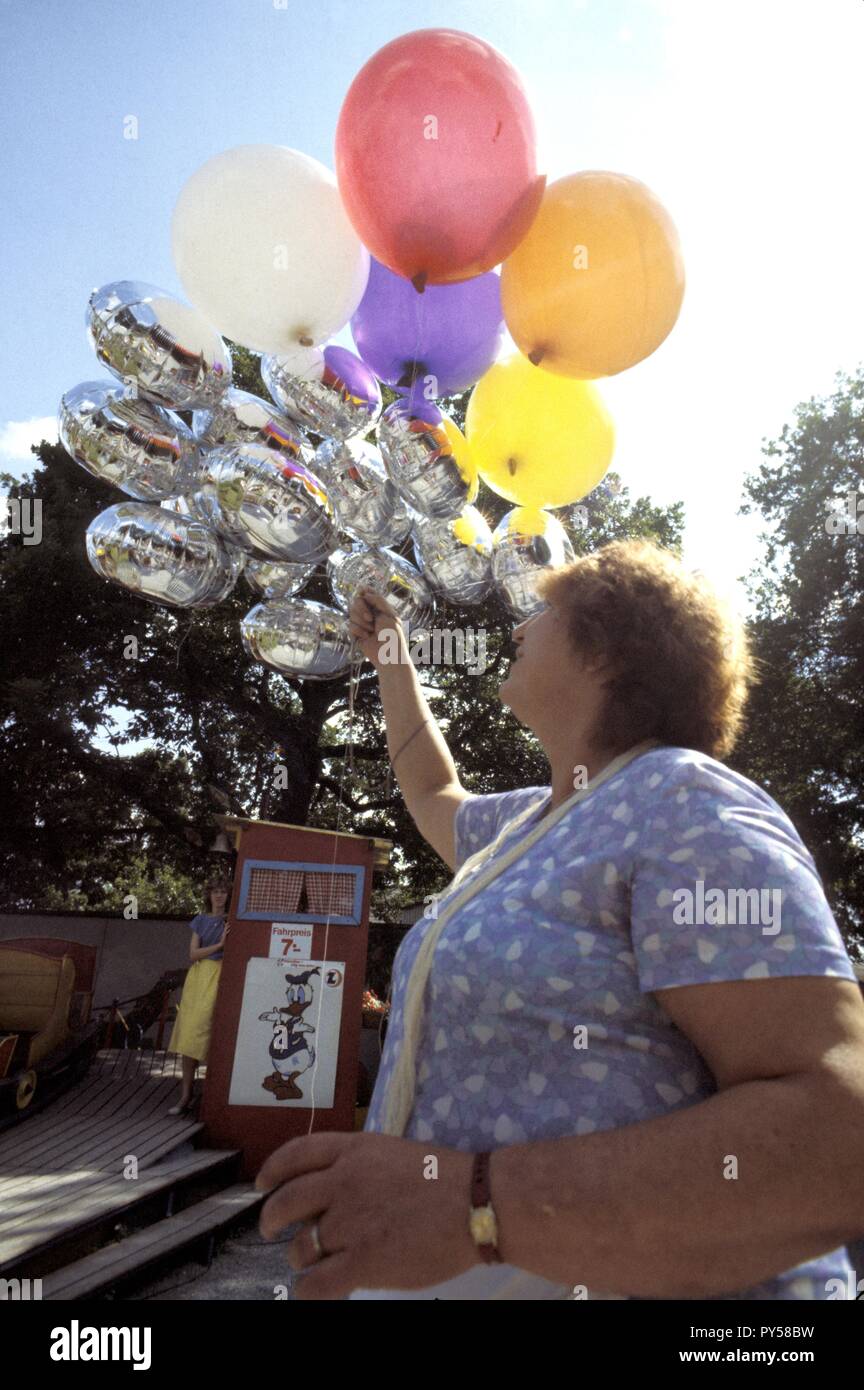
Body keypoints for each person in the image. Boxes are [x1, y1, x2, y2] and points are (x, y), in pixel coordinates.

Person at [255, 537, 864, 1302]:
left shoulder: (683, 800)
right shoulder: (530, 826)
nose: (517, 629)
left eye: (543, 611)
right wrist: (392, 658)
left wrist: (472, 1207)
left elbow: (835, 1140)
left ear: (606, 653)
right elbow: (432, 792)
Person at [167, 877, 230, 1115]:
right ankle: (185, 1094)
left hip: (221, 975)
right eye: (215, 891)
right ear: (209, 895)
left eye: (223, 891)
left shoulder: (231, 920)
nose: (219, 895)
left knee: (211, 1033)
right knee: (190, 1033)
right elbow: (193, 954)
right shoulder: (200, 920)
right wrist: (219, 945)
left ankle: (210, 1095)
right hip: (199, 977)